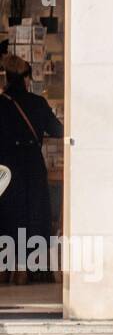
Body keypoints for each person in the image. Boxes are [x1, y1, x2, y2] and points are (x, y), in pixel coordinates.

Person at [0, 54, 63, 284]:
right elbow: (58, 130)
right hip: (32, 166)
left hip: (6, 167)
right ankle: (24, 269)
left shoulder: (1, 104)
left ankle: (4, 268)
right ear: (26, 78)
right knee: (32, 216)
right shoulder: (38, 103)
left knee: (7, 216)